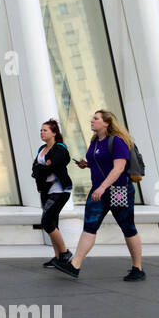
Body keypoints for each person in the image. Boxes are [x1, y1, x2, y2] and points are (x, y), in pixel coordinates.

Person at [54, 109, 144, 281]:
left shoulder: (117, 141)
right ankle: (75, 265)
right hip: (98, 191)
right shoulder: (95, 141)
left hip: (118, 191)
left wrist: (103, 187)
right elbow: (103, 163)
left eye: (96, 118)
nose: (91, 120)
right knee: (89, 226)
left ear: (106, 123)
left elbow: (118, 168)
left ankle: (137, 268)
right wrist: (87, 165)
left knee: (128, 227)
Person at [33, 119, 72, 268]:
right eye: (41, 130)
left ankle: (64, 253)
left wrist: (43, 168)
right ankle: (57, 257)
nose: (42, 133)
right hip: (45, 190)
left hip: (60, 190)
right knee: (53, 222)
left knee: (47, 222)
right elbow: (35, 168)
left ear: (54, 133)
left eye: (45, 130)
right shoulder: (41, 149)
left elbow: (53, 165)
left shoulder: (60, 148)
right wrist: (43, 167)